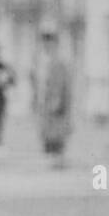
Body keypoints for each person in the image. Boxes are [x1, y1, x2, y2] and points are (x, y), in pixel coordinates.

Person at [33, 29, 72, 167]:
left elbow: (62, 85)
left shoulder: (58, 62)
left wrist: (57, 102)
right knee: (48, 133)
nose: (46, 47)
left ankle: (58, 160)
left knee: (56, 133)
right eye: (44, 44)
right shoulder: (44, 61)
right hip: (47, 105)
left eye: (48, 43)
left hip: (55, 105)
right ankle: (54, 160)